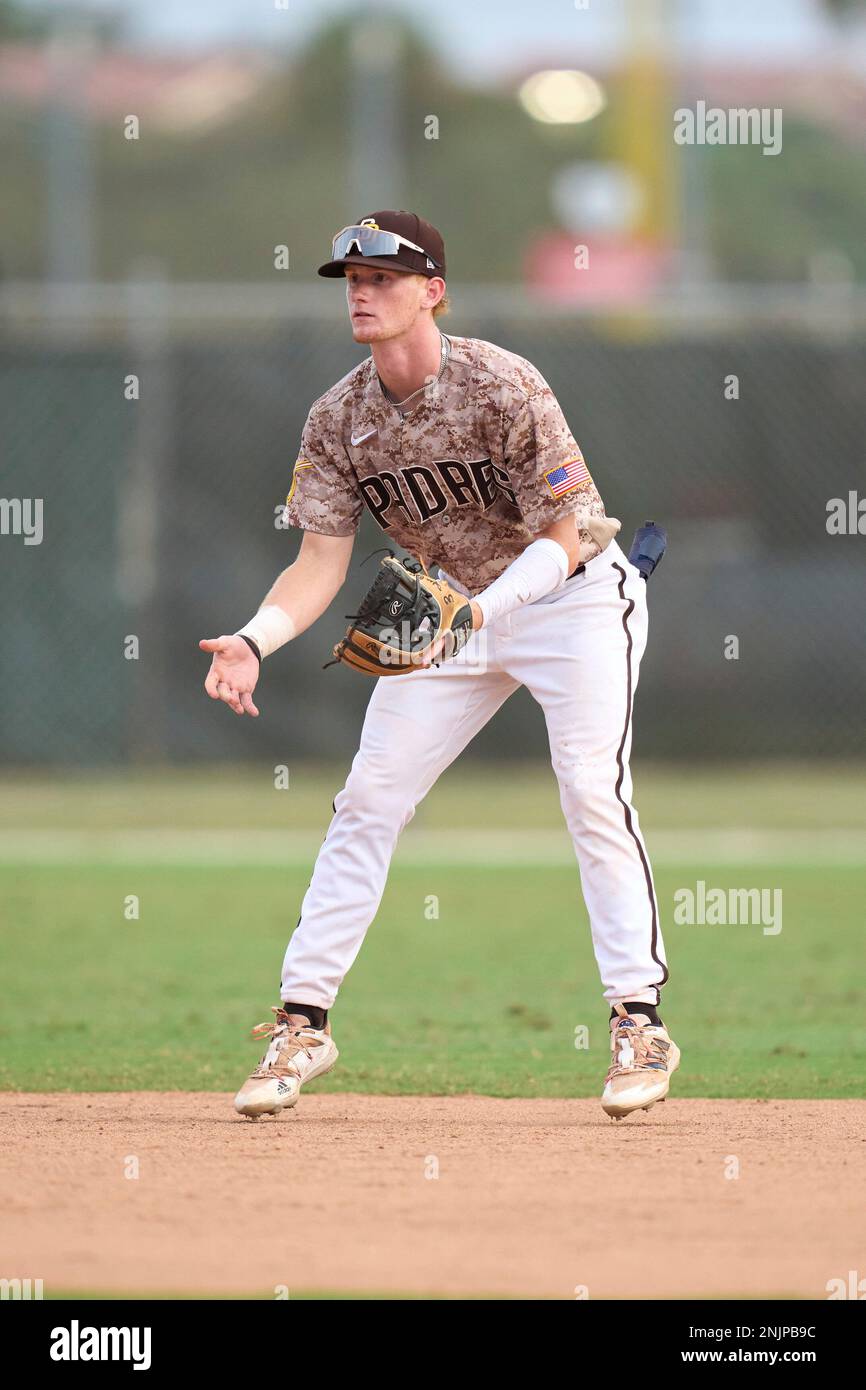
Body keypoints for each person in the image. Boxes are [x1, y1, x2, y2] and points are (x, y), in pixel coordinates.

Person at [199, 210, 678, 1123]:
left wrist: (481, 612)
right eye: (351, 279)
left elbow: (570, 531)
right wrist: (254, 640)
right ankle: (303, 1022)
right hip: (443, 610)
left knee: (589, 787)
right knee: (369, 798)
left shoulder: (502, 382)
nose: (362, 293)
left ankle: (638, 1023)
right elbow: (318, 562)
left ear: (433, 291)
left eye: (382, 277)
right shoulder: (338, 417)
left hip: (570, 598)